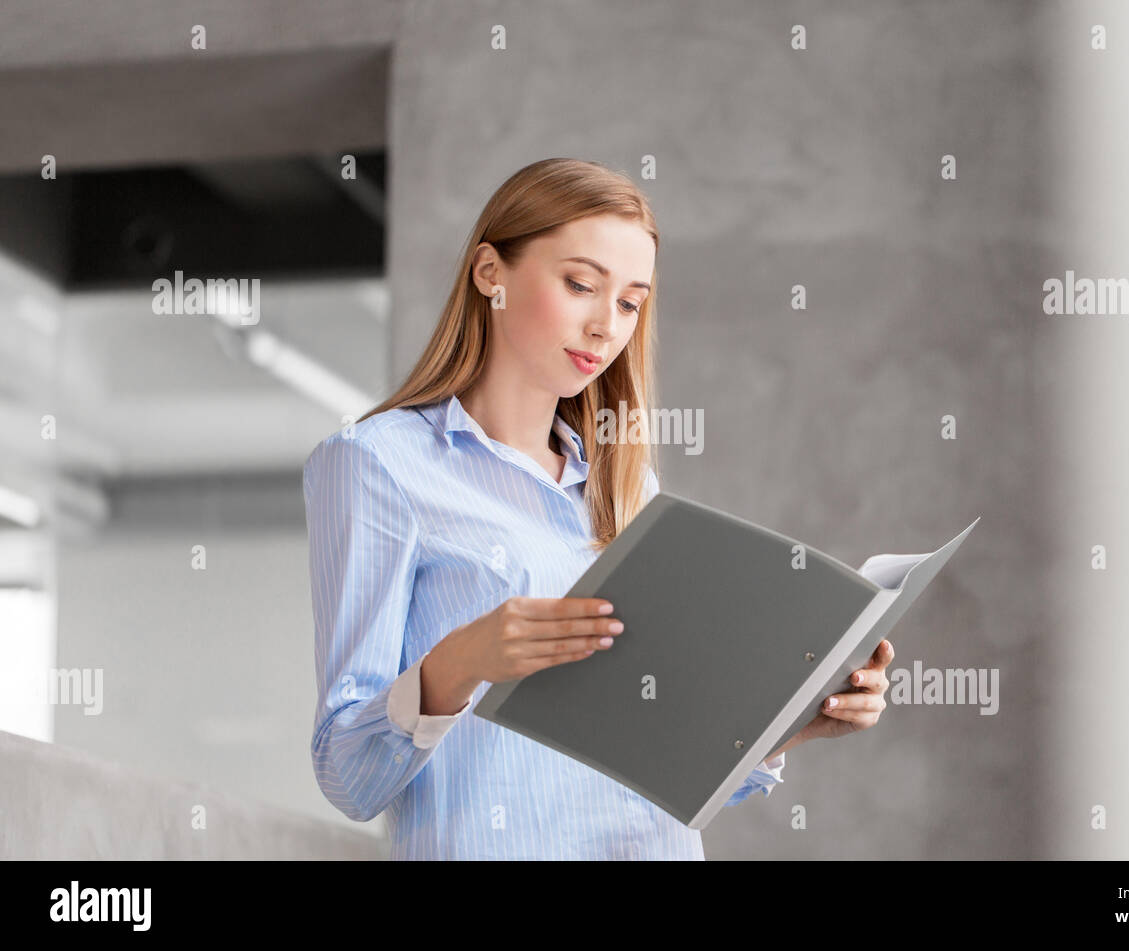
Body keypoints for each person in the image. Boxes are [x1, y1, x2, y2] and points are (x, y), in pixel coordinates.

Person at [303, 157, 894, 859]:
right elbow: (349, 774)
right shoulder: (378, 463)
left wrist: (794, 721)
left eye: (629, 302)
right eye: (581, 284)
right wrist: (461, 660)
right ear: (490, 272)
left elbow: (664, 755)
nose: (604, 327)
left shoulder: (623, 485)